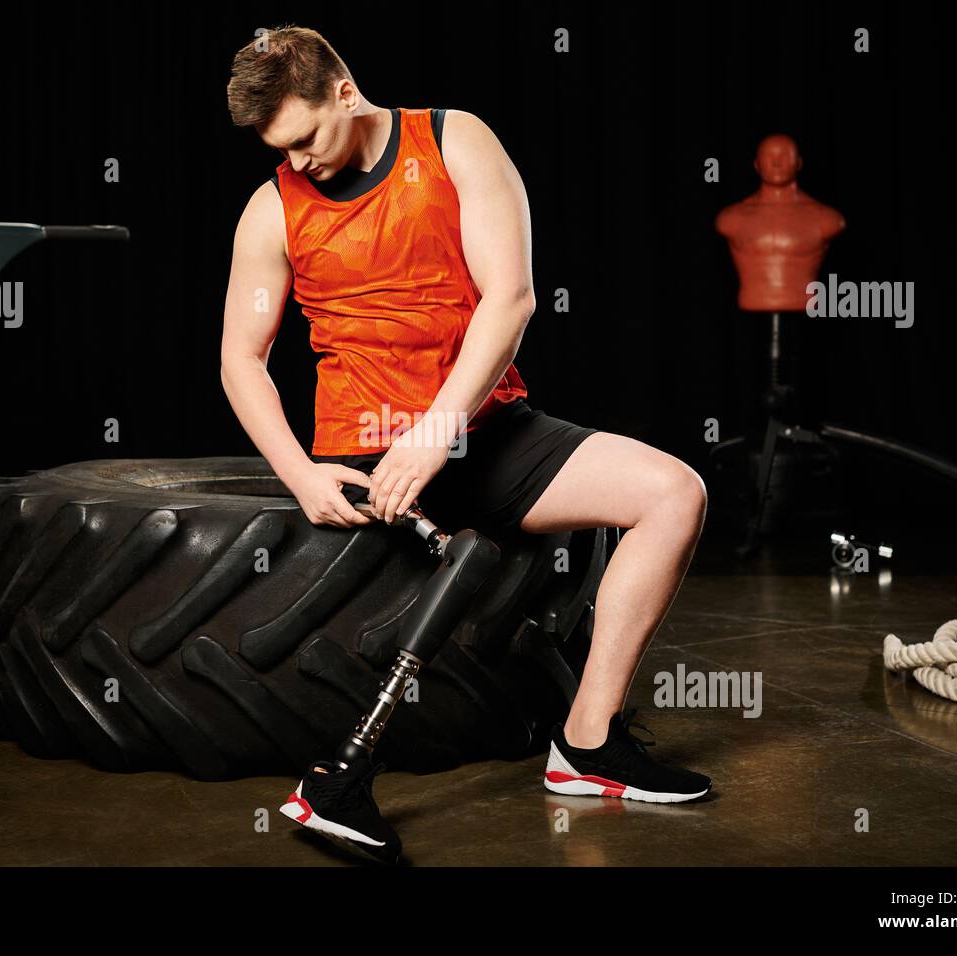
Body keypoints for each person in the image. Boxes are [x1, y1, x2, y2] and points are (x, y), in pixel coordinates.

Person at [221, 25, 711, 855]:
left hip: (482, 426)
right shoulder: (273, 208)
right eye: (281, 150)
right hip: (372, 447)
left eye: (305, 139)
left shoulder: (454, 141)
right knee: (461, 549)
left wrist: (440, 429)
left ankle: (587, 745)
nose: (298, 163)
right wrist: (300, 473)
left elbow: (510, 298)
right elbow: (241, 358)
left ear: (345, 92)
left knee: (675, 493)